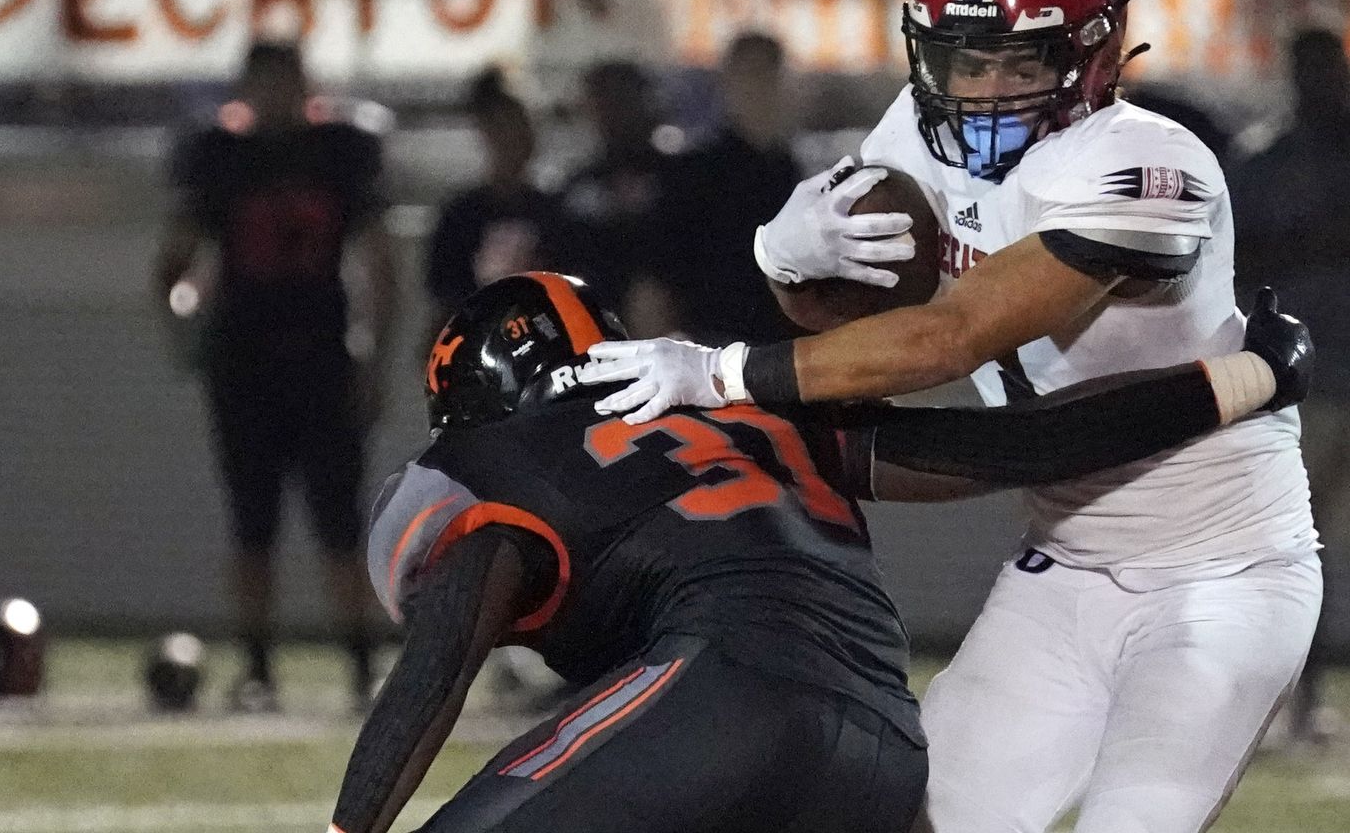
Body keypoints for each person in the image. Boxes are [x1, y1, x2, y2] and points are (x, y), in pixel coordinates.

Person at [582, 0, 1322, 833]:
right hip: (1064, 561)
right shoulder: (911, 136)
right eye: (966, 61)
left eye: (1022, 62)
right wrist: (787, 266)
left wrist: (720, 371)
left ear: (1092, 52)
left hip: (1221, 573)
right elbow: (853, 335)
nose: (986, 91)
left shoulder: (1146, 164)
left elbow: (951, 338)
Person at [327, 271, 1309, 833]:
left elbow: (438, 654)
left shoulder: (491, 458)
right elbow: (1015, 445)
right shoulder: (746, 402)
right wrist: (1247, 371)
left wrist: (350, 823)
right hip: (881, 749)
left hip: (716, 691)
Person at [152, 40, 398, 713]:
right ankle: (258, 669)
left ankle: (361, 665)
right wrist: (184, 327)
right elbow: (174, 264)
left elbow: (379, 261)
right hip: (244, 362)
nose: (276, 96)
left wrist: (373, 355)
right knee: (251, 524)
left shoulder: (341, 151)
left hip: (320, 355)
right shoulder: (219, 158)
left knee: (339, 525)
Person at [1230, 27, 1350, 745]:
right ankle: (1289, 704)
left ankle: (1300, 703)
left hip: (1329, 376)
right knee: (1296, 548)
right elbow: (1232, 258)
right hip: (1311, 382)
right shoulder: (1268, 162)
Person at [662, 32, 804, 344]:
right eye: (748, 73)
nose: (758, 86)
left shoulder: (795, 171)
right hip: (715, 349)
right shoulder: (693, 175)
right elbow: (660, 280)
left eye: (767, 72)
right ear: (726, 83)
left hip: (787, 348)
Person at [424, 68, 564, 352]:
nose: (510, 138)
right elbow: (443, 303)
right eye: (500, 127)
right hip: (480, 351)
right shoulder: (460, 216)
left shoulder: (558, 212)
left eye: (518, 126)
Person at [553, 61, 682, 338]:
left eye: (621, 100)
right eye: (600, 103)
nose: (610, 115)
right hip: (591, 331)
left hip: (669, 334)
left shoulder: (680, 179)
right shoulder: (576, 188)